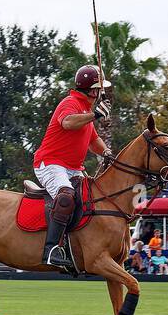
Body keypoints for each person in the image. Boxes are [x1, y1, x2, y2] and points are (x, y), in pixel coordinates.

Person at [33, 64, 110, 268]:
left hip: (74, 168)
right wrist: (95, 116)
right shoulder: (71, 102)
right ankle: (51, 250)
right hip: (50, 163)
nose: (101, 92)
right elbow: (67, 122)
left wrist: (108, 154)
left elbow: (94, 142)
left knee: (93, 198)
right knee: (66, 196)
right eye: (99, 88)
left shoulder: (86, 110)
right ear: (92, 90)